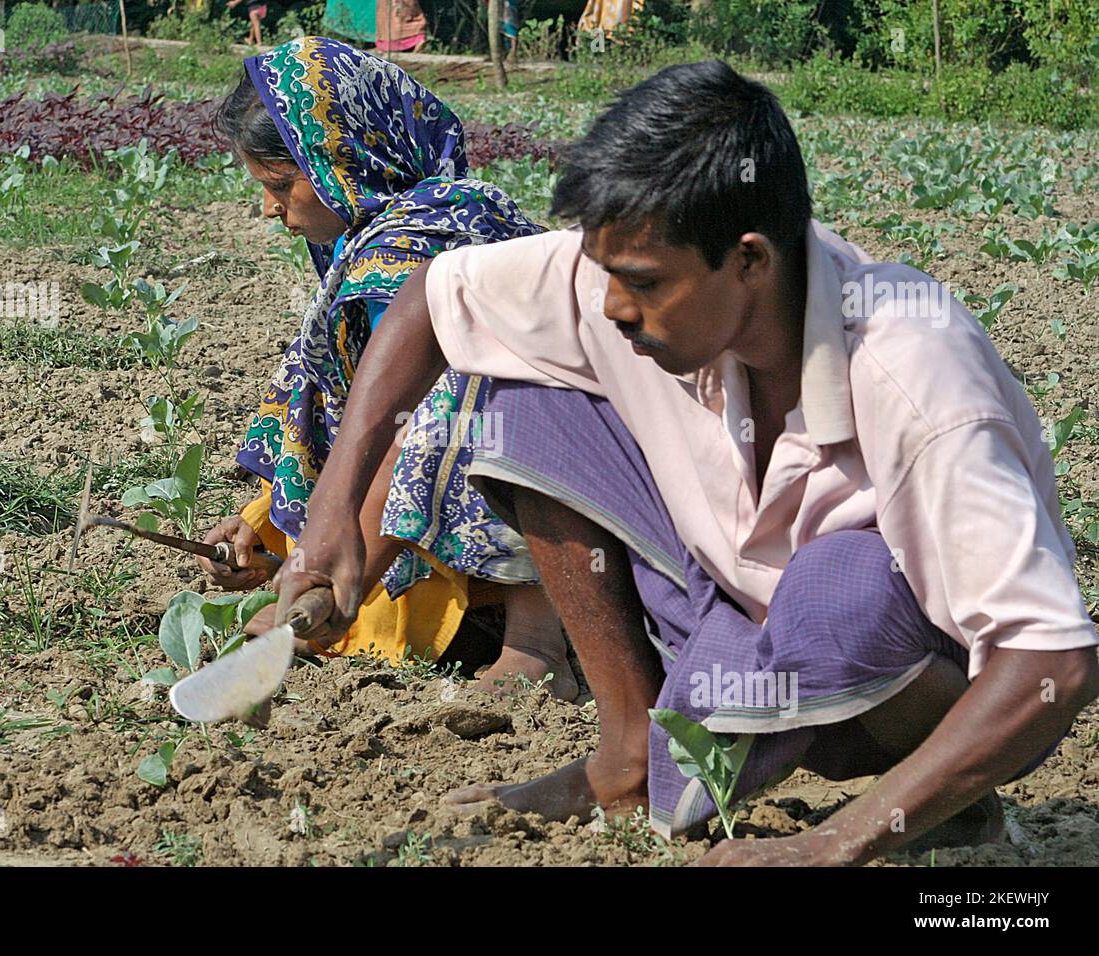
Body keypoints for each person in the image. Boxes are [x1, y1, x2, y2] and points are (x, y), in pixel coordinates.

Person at [271, 60, 1099, 864]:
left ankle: (929, 803)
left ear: (750, 260)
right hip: (727, 614)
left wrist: (825, 846)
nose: (611, 307)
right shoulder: (637, 272)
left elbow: (1051, 662)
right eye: (604, 275)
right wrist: (334, 505)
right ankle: (629, 754)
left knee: (840, 585)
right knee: (520, 401)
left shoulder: (913, 371)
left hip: (888, 678)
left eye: (641, 283)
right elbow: (431, 298)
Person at [203, 36, 577, 700]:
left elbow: (405, 431)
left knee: (479, 398)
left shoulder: (412, 246)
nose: (269, 209)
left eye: (281, 185)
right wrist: (264, 526)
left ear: (341, 161)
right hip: (411, 507)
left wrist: (327, 577)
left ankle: (537, 642)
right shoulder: (370, 237)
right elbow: (348, 416)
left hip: (545, 499)